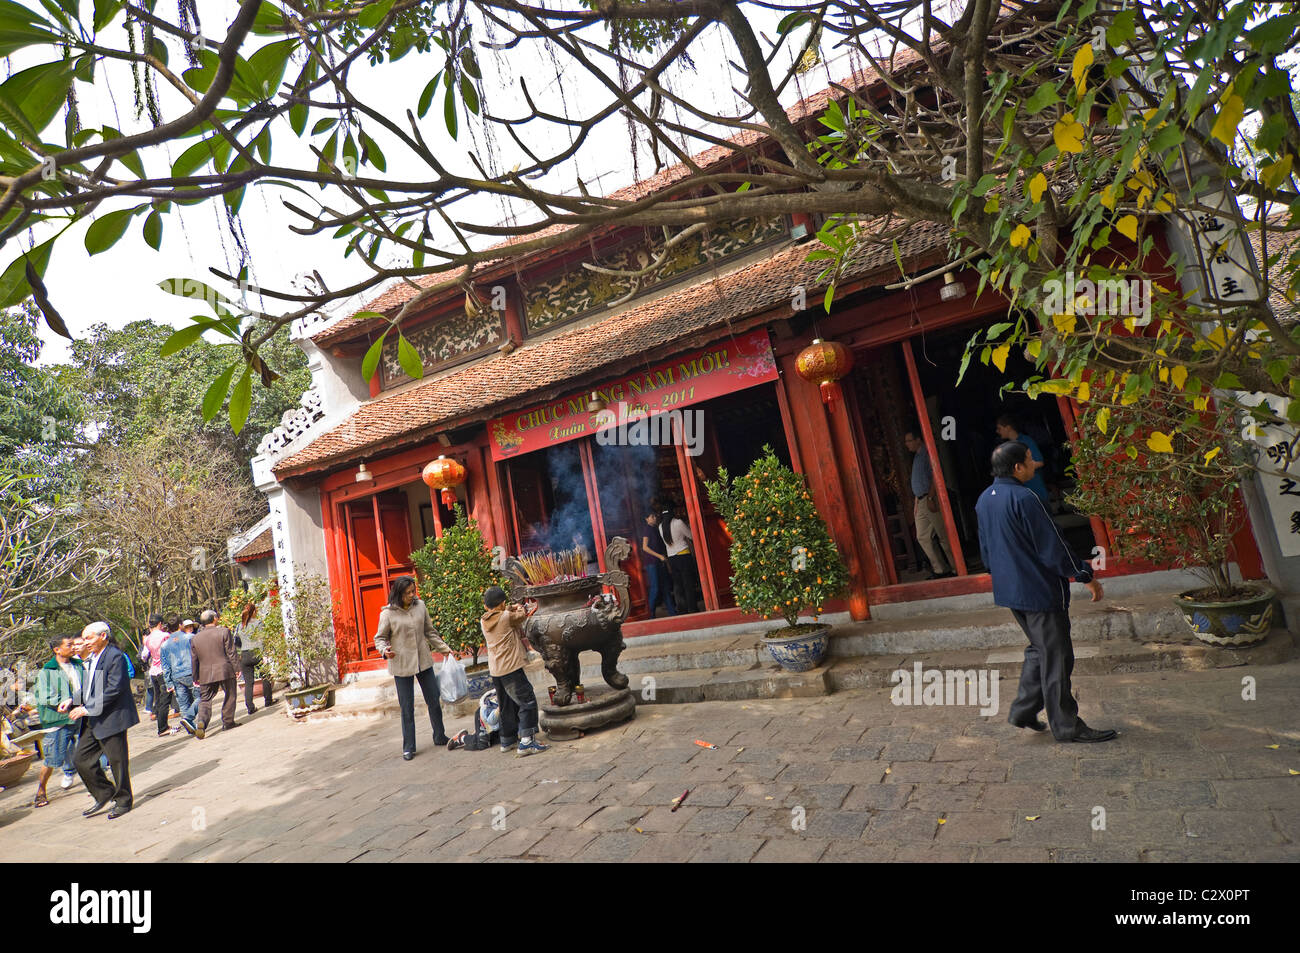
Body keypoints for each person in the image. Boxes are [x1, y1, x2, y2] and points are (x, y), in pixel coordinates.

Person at [975, 441, 1117, 743]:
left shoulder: (985, 499)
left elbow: (986, 552)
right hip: (1038, 590)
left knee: (1041, 649)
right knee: (1057, 656)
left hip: (1011, 591)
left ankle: (1024, 709)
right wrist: (1083, 575)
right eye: (1029, 460)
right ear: (1017, 468)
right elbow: (1052, 546)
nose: (1034, 464)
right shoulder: (1026, 498)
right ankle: (1066, 726)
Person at [61, 622, 139, 819]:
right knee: (81, 759)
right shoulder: (95, 657)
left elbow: (114, 688)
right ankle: (104, 792)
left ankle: (123, 800)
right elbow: (90, 688)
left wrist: (86, 708)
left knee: (117, 761)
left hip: (112, 717)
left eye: (89, 638)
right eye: (84, 639)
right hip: (93, 719)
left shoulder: (114, 656)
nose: (86, 643)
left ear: (103, 636)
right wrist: (72, 701)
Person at [374, 576, 450, 760]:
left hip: (423, 660)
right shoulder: (387, 614)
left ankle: (439, 735)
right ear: (399, 594)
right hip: (401, 663)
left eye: (413, 591)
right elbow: (380, 638)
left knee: (433, 699)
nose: (411, 595)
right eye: (407, 593)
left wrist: (444, 649)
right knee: (406, 707)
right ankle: (409, 747)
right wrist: (385, 651)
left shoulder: (420, 606)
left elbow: (429, 631)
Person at [479, 586, 548, 757]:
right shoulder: (506, 617)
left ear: (487, 606)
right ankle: (527, 742)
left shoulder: (484, 620)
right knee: (527, 700)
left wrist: (507, 608)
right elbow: (521, 616)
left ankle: (507, 739)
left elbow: (501, 613)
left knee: (506, 705)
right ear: (502, 603)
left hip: (496, 670)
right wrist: (519, 608)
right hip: (511, 668)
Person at [32, 634, 84, 807]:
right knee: (52, 759)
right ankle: (41, 790)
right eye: (69, 645)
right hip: (59, 720)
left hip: (80, 714)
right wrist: (64, 702)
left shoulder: (79, 665)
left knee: (92, 747)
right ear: (57, 649)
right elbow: (45, 695)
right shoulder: (48, 671)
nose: (73, 647)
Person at [903, 429, 957, 579]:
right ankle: (940, 569)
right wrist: (916, 503)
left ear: (918, 439)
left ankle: (956, 566)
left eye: (909, 440)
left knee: (943, 535)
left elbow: (935, 475)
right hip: (920, 500)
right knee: (922, 536)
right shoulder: (916, 457)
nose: (906, 444)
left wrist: (931, 497)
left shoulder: (928, 453)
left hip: (930, 498)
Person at [191, 609, 240, 734]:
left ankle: (202, 720)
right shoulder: (224, 631)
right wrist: (237, 668)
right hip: (224, 669)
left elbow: (194, 659)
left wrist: (195, 676)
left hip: (205, 672)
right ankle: (228, 721)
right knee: (230, 694)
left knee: (205, 699)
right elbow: (231, 652)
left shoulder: (196, 638)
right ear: (214, 619)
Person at [996, 413, 1050, 505]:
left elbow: (1040, 462)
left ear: (1008, 427)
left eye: (999, 428)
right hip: (1022, 493)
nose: (997, 431)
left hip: (1035, 489)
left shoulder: (1026, 441)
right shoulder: (1007, 446)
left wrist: (1017, 470)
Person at [160, 614, 199, 737]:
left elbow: (165, 666)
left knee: (183, 703)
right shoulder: (190, 638)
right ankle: (189, 719)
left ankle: (190, 724)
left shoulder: (165, 645)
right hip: (191, 672)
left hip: (176, 676)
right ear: (180, 625)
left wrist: (169, 682)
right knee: (202, 696)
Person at [659, 502, 701, 613]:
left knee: (678, 585)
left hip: (672, 558)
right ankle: (692, 608)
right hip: (683, 555)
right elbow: (691, 535)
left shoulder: (660, 527)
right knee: (688, 583)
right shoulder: (678, 523)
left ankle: (682, 608)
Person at [234, 602, 274, 716]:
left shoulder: (239, 626)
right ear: (254, 612)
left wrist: (241, 649)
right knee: (265, 676)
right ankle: (268, 701)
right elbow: (262, 638)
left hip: (245, 654)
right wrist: (265, 653)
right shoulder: (258, 623)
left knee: (248, 682)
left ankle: (250, 707)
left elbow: (235, 641)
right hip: (257, 652)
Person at [140, 613, 175, 736]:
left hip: (153, 671)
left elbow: (144, 656)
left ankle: (162, 725)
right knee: (166, 699)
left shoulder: (147, 639)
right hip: (164, 670)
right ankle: (163, 728)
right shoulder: (165, 636)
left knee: (159, 698)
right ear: (160, 624)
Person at [641, 511, 677, 618]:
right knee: (655, 588)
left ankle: (672, 612)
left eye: (655, 516)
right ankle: (650, 614)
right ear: (646, 519)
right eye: (652, 516)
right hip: (652, 563)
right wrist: (659, 556)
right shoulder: (647, 529)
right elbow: (644, 547)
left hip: (659, 562)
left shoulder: (656, 529)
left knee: (665, 587)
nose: (654, 518)